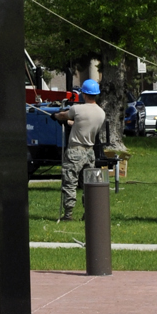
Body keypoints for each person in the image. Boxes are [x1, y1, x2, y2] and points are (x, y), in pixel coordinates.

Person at [57, 78, 107, 222]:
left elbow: (64, 115)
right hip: (89, 152)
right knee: (89, 185)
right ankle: (89, 214)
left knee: (70, 183)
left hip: (75, 151)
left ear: (84, 94)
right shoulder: (101, 113)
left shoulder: (76, 109)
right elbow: (82, 123)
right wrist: (69, 123)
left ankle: (68, 215)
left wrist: (56, 116)